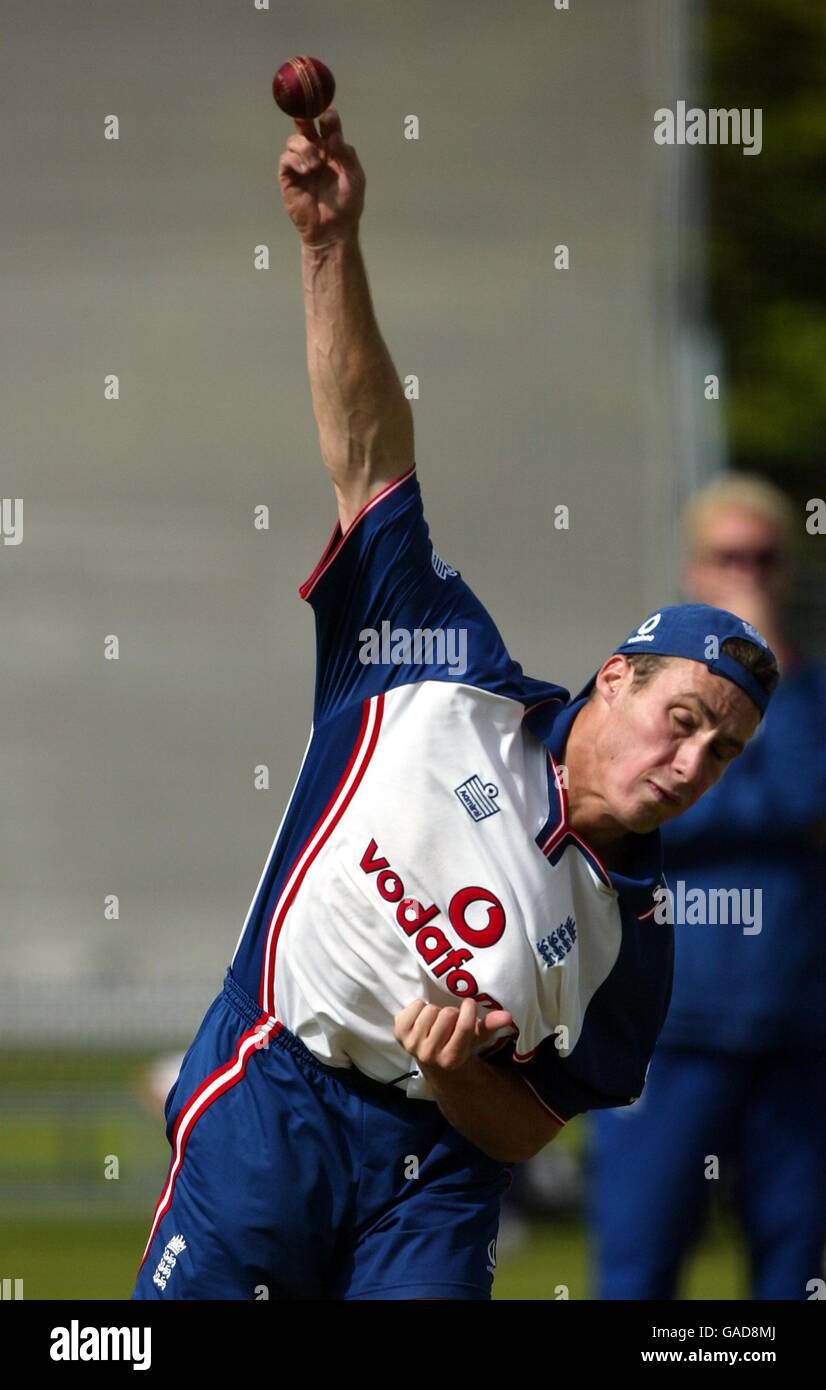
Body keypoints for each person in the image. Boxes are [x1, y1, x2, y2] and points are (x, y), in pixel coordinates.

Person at [131, 111, 778, 1301]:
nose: (695, 761)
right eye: (684, 717)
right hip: (274, 1087)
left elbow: (530, 1126)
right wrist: (329, 245)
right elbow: (371, 456)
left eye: (725, 753)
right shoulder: (433, 668)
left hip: (438, 1172)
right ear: (618, 674)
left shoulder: (635, 939)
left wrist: (466, 1075)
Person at [587, 475, 826, 1300]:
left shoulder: (811, 695)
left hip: (796, 1037)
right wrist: (758, 807)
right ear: (695, 570)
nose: (748, 574)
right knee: (639, 1271)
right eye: (730, 558)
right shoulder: (651, 692)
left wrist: (770, 671)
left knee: (794, 1276)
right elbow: (646, 812)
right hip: (667, 1033)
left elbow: (809, 790)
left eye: (764, 559)